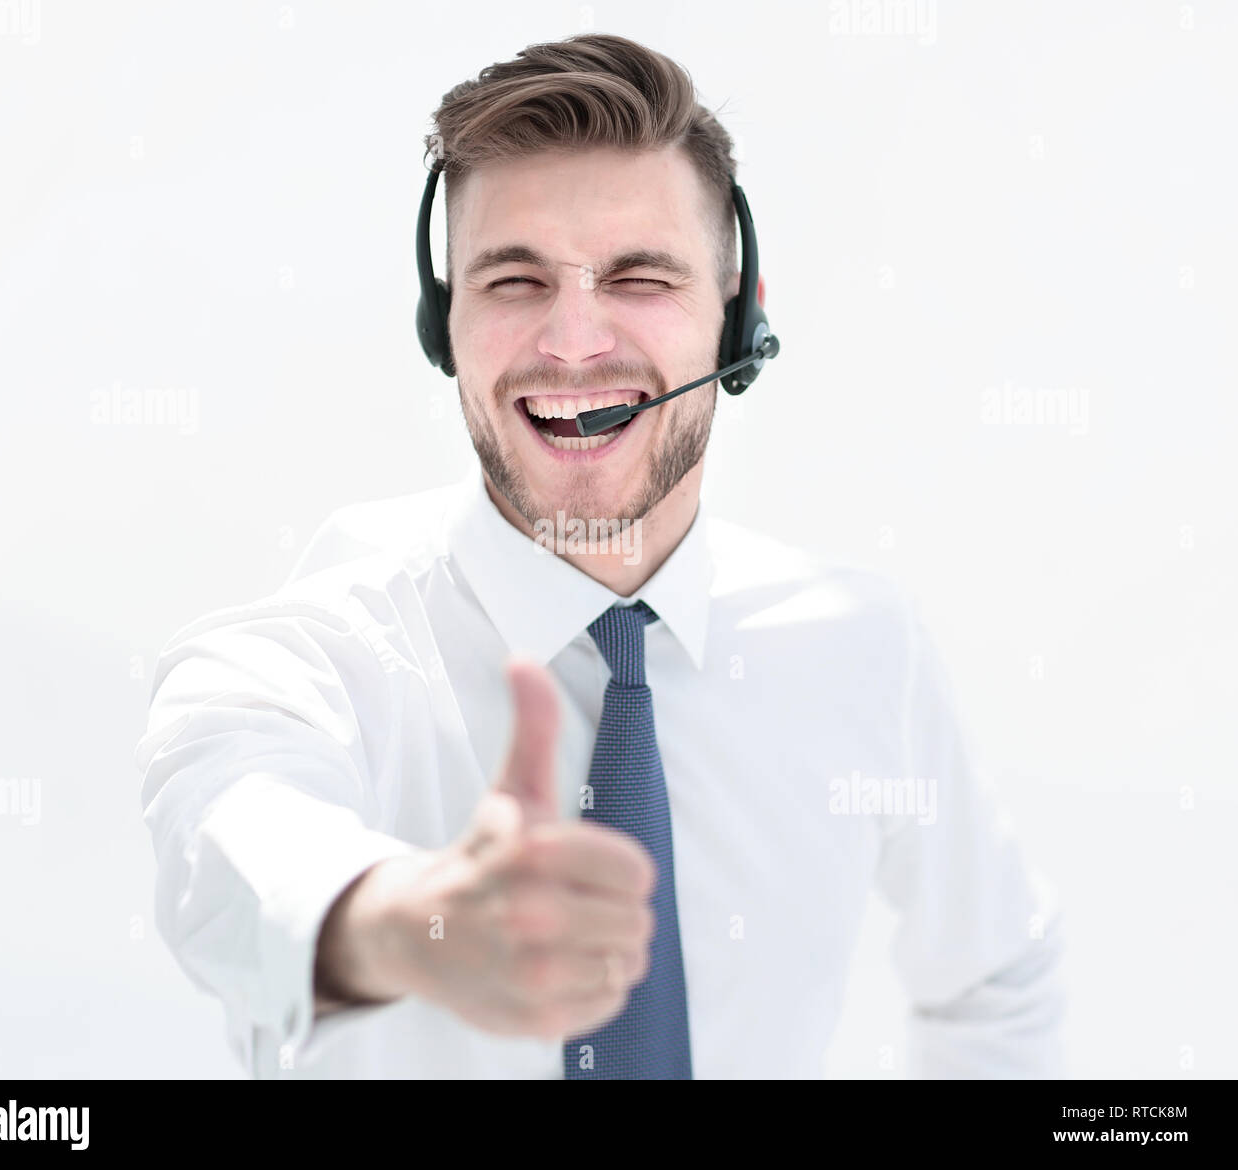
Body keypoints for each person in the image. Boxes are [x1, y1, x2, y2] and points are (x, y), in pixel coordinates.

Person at [135, 32, 1063, 1079]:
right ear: (444, 328)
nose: (573, 343)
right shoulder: (317, 655)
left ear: (739, 323)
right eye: (515, 280)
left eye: (638, 276)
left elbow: (997, 983)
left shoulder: (862, 648)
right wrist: (408, 924)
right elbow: (228, 846)